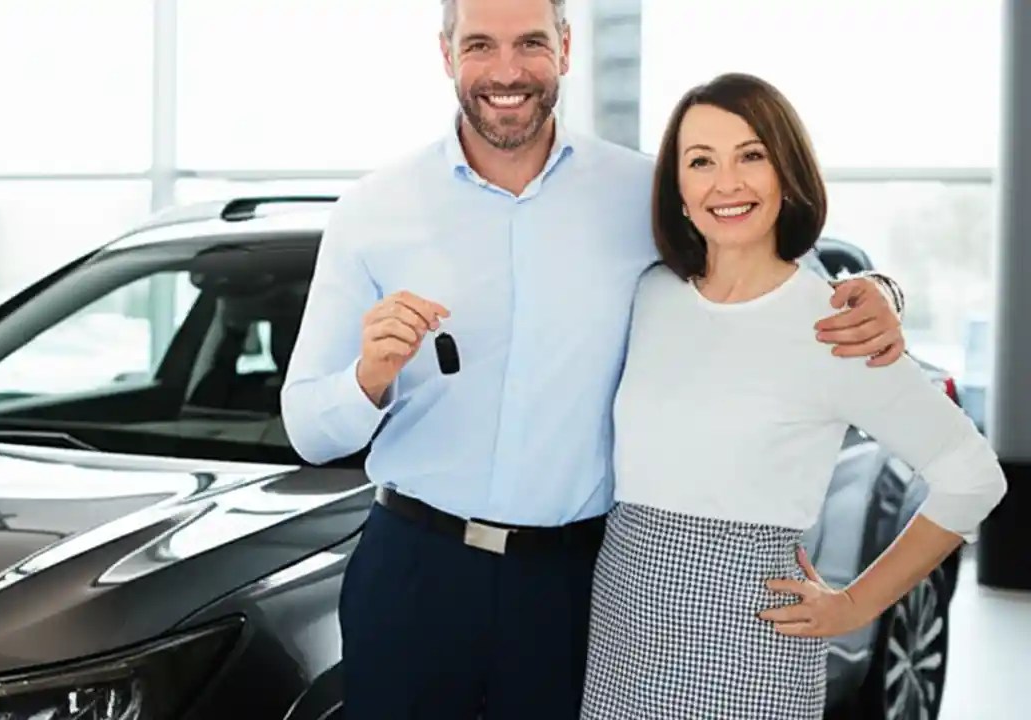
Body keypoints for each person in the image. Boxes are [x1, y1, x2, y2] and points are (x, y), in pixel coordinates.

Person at [281, 1, 905, 717]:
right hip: (415, 571)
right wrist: (367, 379)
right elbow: (308, 428)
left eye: (531, 43)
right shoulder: (372, 209)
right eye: (481, 44)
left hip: (577, 581)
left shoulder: (643, 194)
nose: (508, 70)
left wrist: (881, 290)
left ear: (567, 48)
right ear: (447, 53)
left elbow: (774, 268)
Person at [576, 72, 1008, 720]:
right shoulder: (649, 295)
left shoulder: (833, 327)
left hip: (756, 640)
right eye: (701, 162)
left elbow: (973, 479)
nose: (727, 182)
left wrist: (856, 604)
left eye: (751, 155)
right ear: (679, 192)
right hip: (624, 628)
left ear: (787, 172)